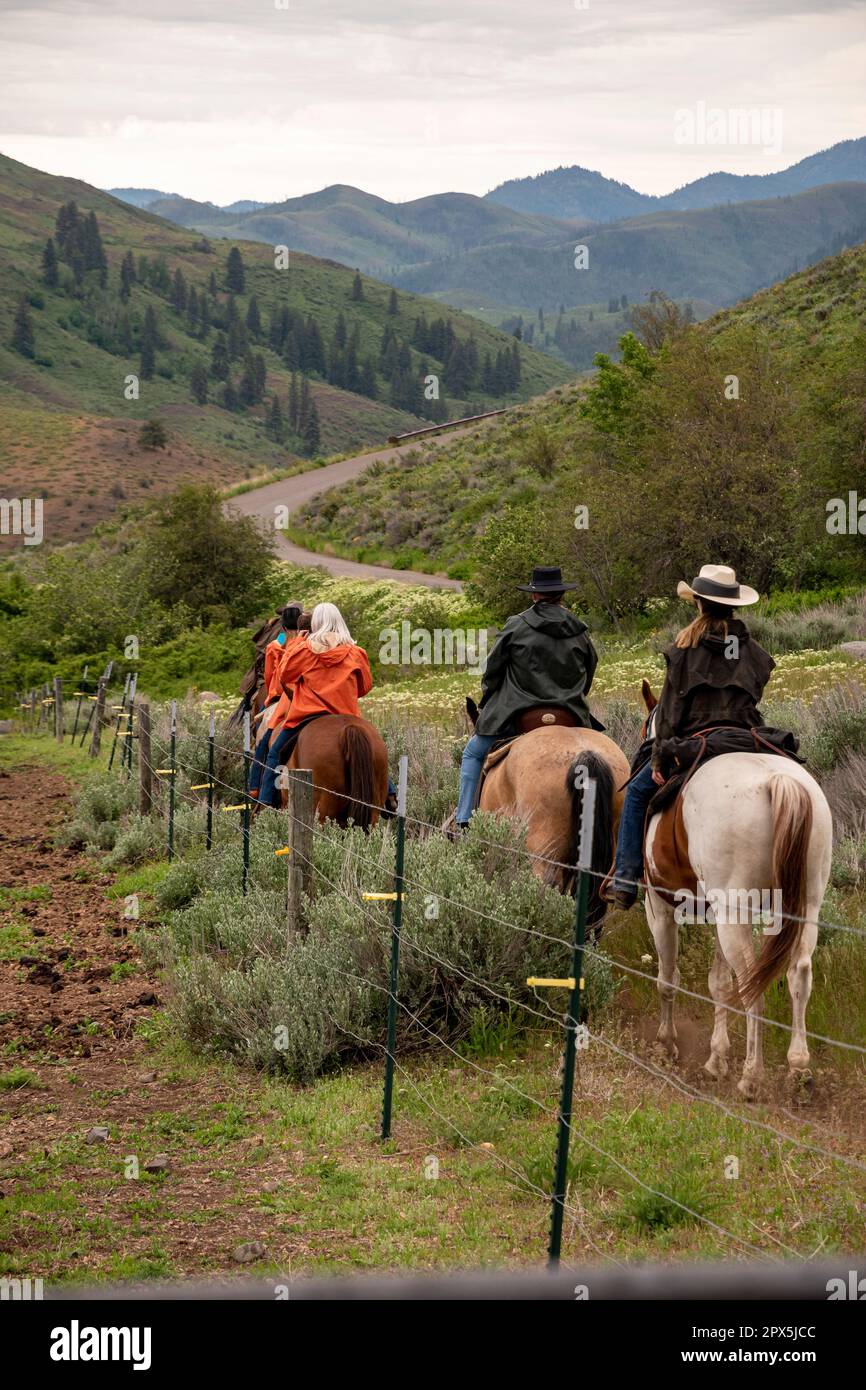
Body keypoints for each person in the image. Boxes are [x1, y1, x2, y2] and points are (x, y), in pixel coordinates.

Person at [611, 563, 774, 910]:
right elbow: (753, 696)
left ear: (698, 603)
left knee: (638, 793)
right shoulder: (753, 651)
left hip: (695, 744)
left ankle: (625, 878)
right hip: (746, 739)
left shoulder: (684, 648)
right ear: (734, 606)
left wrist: (660, 757)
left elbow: (668, 714)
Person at [455, 565, 598, 827]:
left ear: (534, 595)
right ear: (561, 595)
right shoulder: (580, 630)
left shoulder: (516, 625)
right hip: (570, 714)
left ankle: (463, 819)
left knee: (473, 754)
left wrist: (488, 699)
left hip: (518, 717)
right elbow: (590, 669)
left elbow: (492, 671)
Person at [257, 602, 373, 808]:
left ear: (315, 623)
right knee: (368, 752)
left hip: (307, 715)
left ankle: (265, 802)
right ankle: (390, 793)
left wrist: (298, 644)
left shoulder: (304, 650)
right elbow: (365, 687)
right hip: (347, 713)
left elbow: (284, 675)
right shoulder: (357, 652)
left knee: (274, 752)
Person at [248, 603, 307, 801]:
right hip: (307, 696)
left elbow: (270, 675)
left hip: (281, 698)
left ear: (282, 626)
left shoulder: (275, 646)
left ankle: (256, 789)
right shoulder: (307, 644)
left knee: (263, 742)